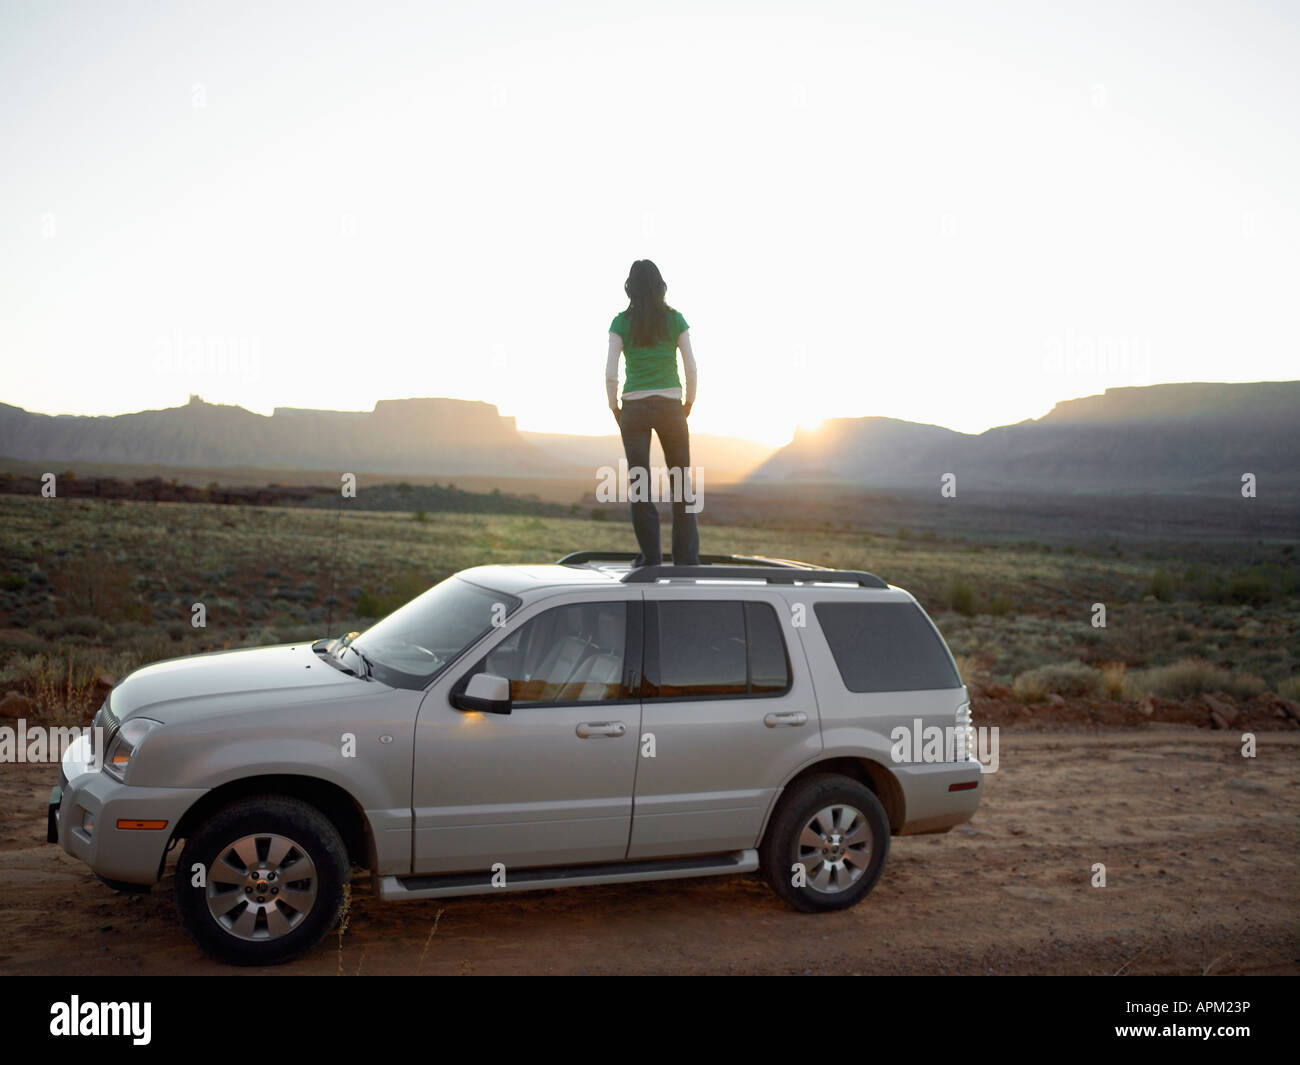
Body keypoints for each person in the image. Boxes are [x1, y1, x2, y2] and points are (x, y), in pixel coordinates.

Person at [606, 259, 700, 567]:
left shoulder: (620, 322)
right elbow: (690, 366)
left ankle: (651, 558)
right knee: (681, 484)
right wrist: (688, 403)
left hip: (633, 408)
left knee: (639, 484)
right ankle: (686, 560)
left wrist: (615, 407)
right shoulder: (675, 320)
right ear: (661, 285)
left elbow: (610, 373)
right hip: (671, 406)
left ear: (629, 287)